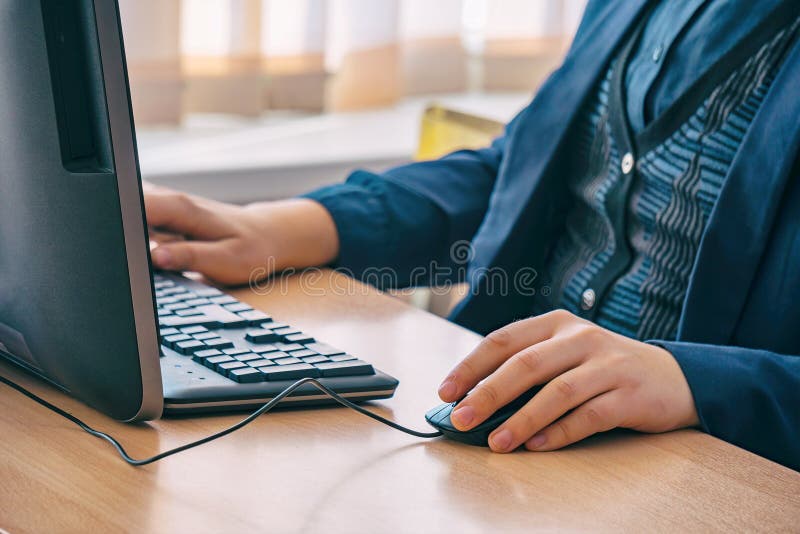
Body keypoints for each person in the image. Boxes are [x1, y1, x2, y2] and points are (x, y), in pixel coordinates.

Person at [144, 0, 800, 470]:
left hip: (702, 478)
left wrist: (695, 379)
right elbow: (528, 168)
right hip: (502, 452)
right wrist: (287, 226)